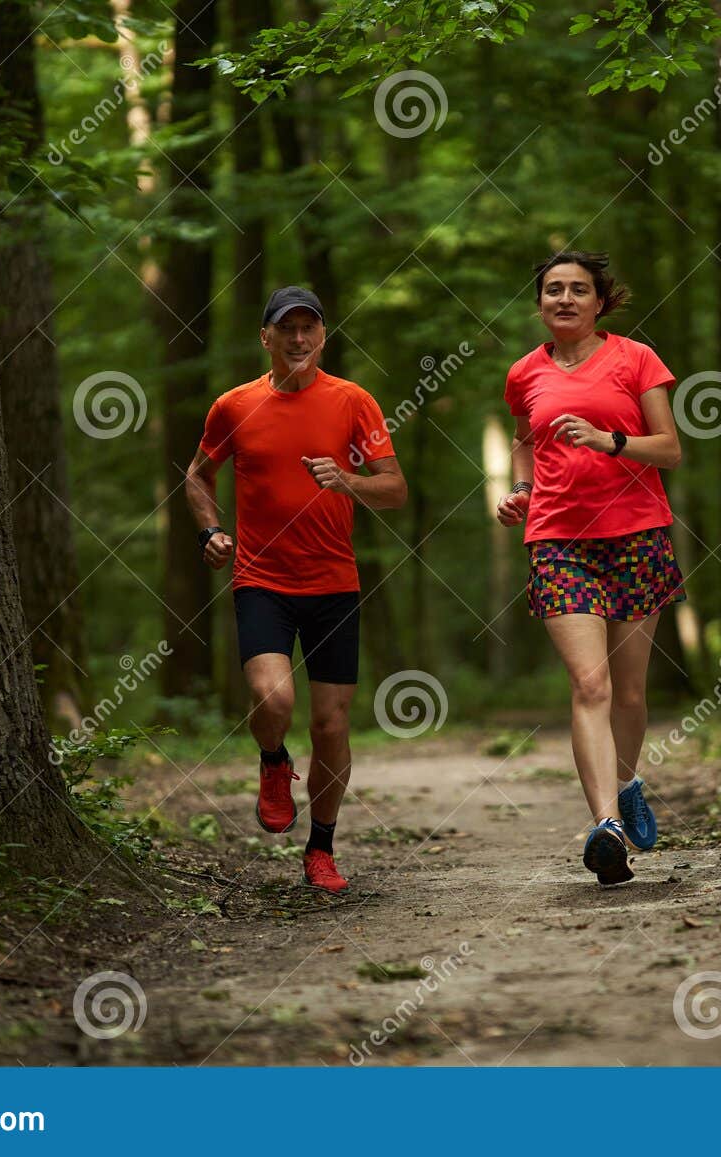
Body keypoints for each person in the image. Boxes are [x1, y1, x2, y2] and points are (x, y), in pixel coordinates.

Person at [185, 286, 407, 894]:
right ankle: (274, 762)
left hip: (334, 582)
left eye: (310, 328)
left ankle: (322, 848)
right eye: (287, 329)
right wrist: (211, 529)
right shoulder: (233, 407)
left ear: (323, 336)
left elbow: (395, 488)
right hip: (263, 580)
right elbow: (198, 476)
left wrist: (347, 480)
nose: (299, 339)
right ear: (267, 338)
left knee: (332, 727)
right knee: (273, 699)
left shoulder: (353, 402)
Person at [496, 250, 685, 886]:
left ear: (600, 302)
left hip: (636, 536)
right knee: (591, 686)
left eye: (579, 290)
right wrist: (519, 491)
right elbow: (528, 443)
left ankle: (628, 783)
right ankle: (605, 826)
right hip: (558, 540)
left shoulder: (636, 359)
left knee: (630, 691)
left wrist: (611, 442)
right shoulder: (524, 373)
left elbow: (672, 450)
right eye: (553, 290)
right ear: (540, 302)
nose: (566, 299)